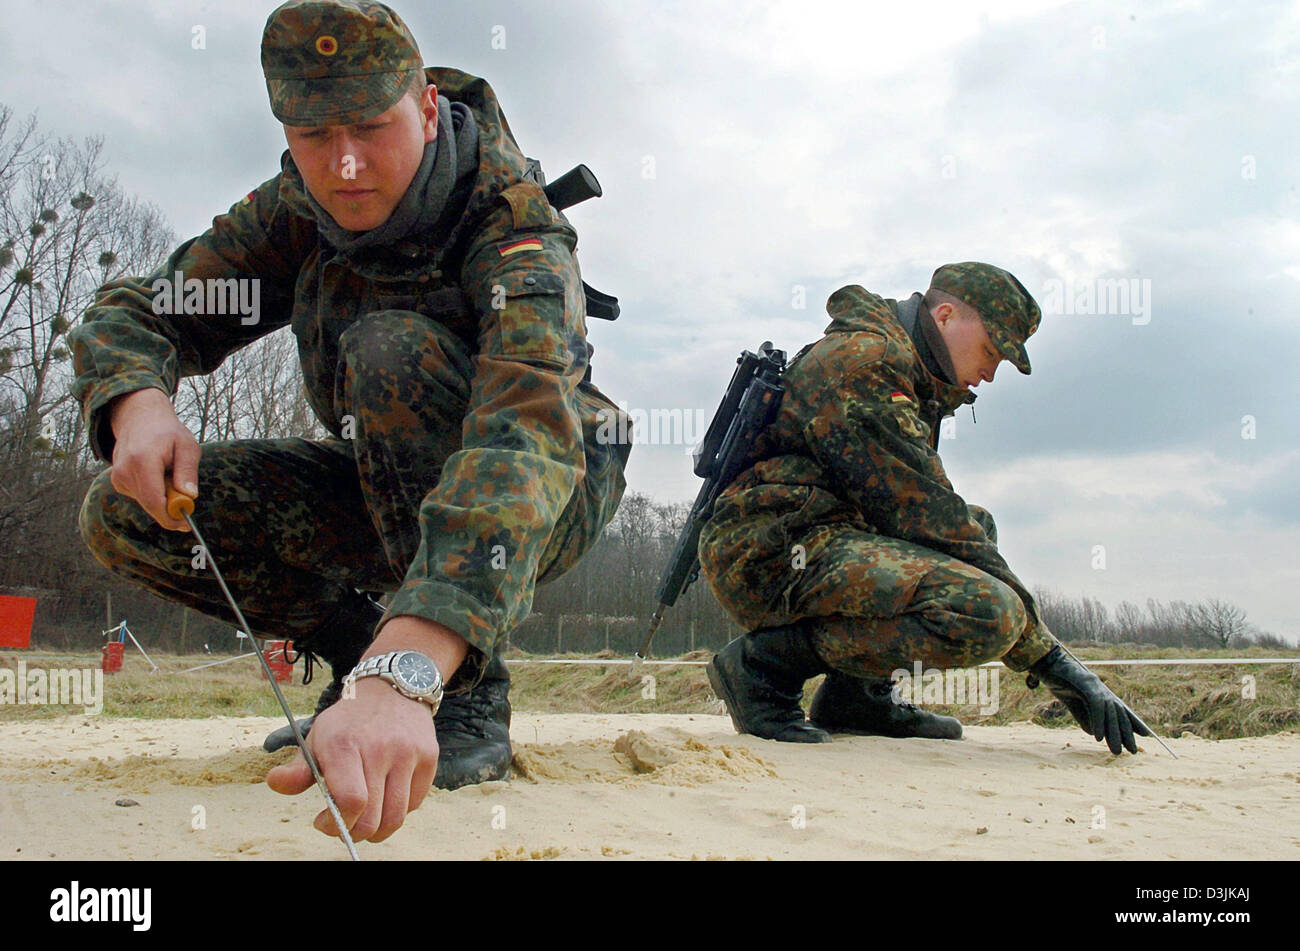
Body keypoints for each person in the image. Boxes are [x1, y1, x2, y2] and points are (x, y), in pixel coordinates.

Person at [70, 0, 630, 842]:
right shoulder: (296, 210)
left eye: (372, 126)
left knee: (389, 350)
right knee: (123, 512)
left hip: (548, 489)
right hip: (383, 483)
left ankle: (459, 689)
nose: (345, 165)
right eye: (311, 135)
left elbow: (523, 438)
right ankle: (359, 649)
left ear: (428, 108)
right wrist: (134, 397)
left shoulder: (513, 227)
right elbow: (142, 311)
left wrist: (411, 669)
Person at [698, 262, 1149, 755]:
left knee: (980, 526)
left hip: (818, 533)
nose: (991, 374)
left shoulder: (909, 370)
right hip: (772, 551)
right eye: (991, 352)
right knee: (988, 612)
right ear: (948, 315)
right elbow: (927, 515)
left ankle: (858, 697)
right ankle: (762, 669)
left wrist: (1050, 655)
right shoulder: (868, 364)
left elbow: (935, 517)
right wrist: (1054, 663)